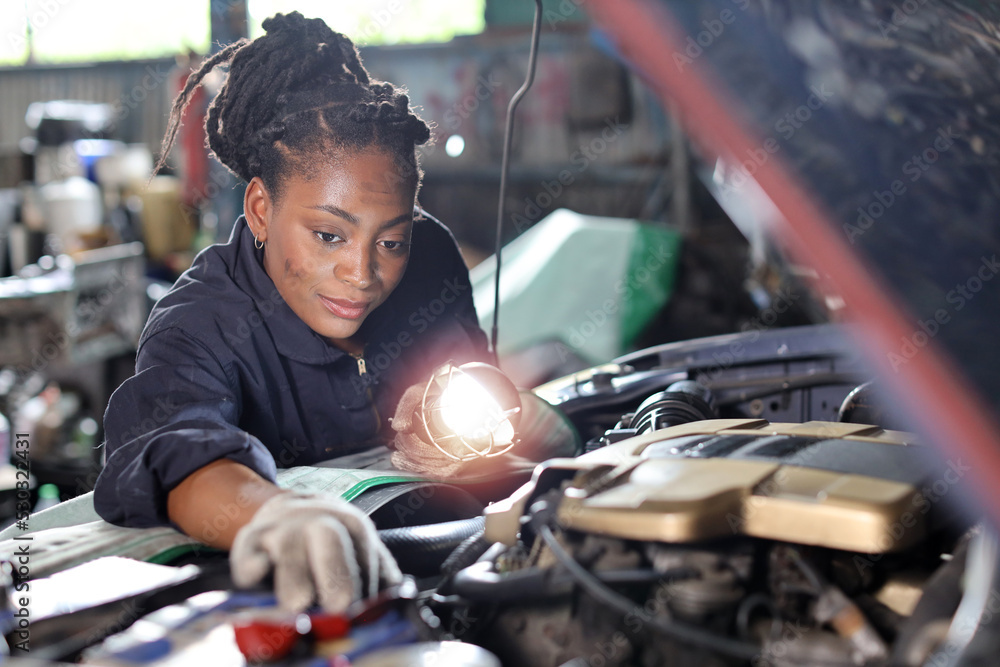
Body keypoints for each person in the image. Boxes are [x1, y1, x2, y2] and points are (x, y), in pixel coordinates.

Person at [93, 12, 492, 613]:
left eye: (391, 240)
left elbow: (479, 376)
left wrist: (454, 411)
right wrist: (270, 513)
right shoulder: (201, 325)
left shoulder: (431, 256)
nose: (362, 273)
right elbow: (171, 447)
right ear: (259, 207)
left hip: (463, 564)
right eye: (329, 236)